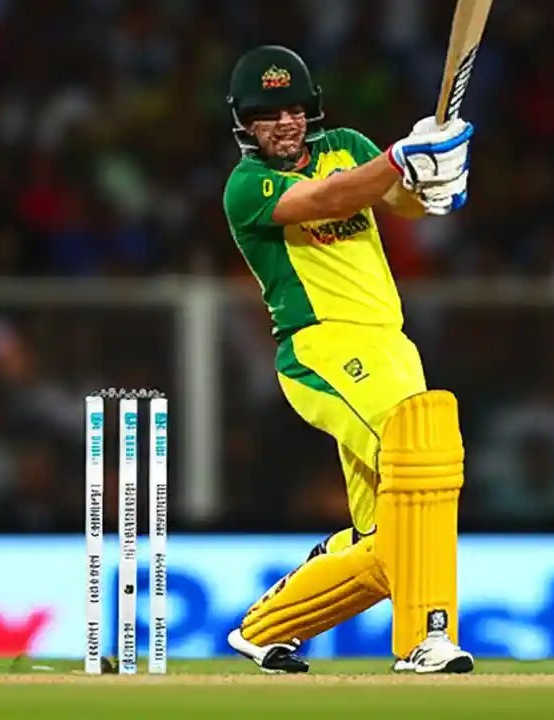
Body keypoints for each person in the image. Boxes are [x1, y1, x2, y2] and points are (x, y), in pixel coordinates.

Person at [221, 44, 475, 674]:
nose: (283, 123)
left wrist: (435, 177)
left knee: (389, 539)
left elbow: (405, 205)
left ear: (310, 111)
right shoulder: (247, 187)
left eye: (292, 110)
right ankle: (426, 638)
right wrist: (399, 158)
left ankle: (266, 626)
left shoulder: (346, 145)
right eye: (266, 114)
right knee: (421, 458)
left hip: (390, 342)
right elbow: (328, 202)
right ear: (245, 124)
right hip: (321, 347)